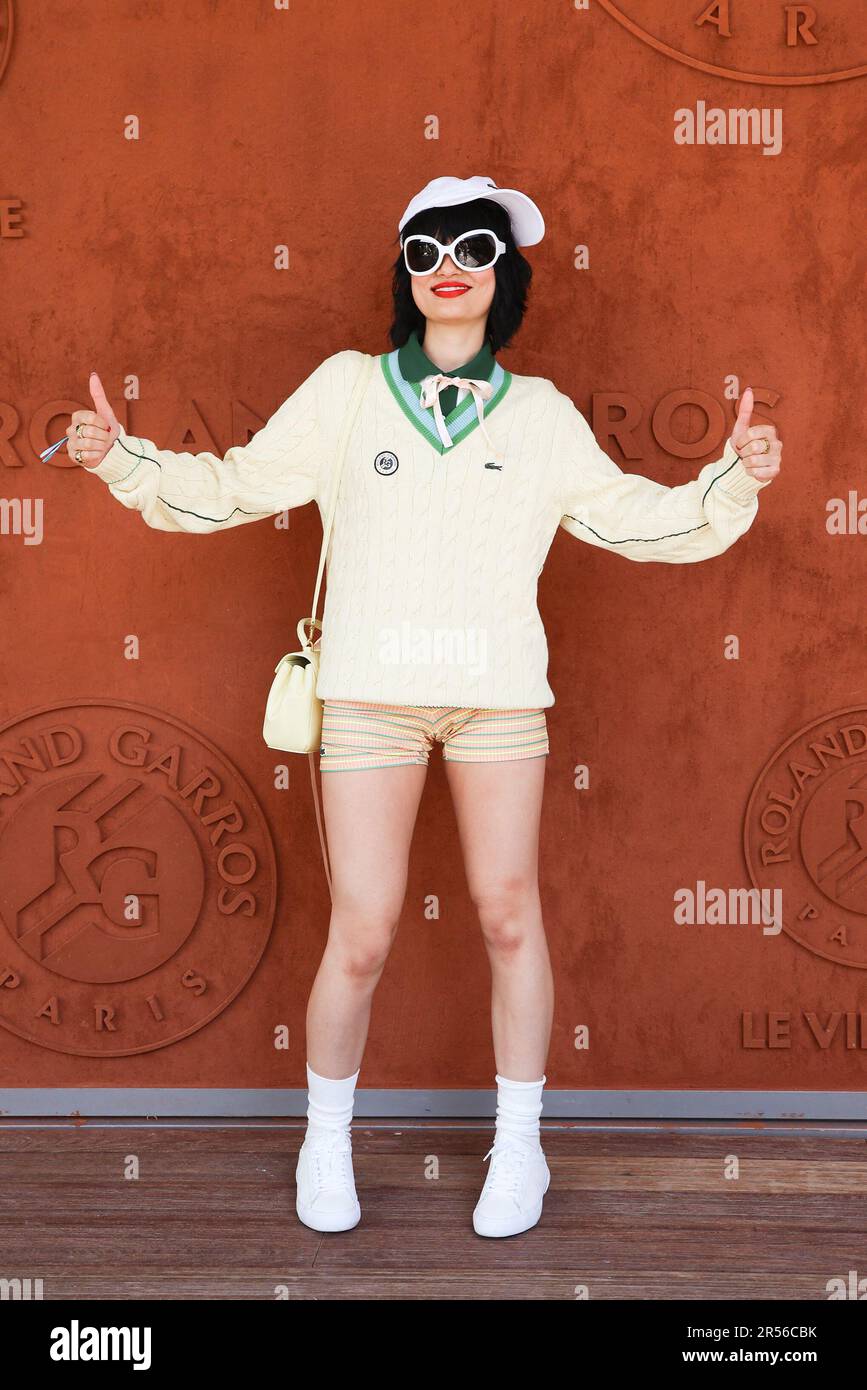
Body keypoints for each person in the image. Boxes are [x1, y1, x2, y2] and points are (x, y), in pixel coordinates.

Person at [64, 173, 782, 1239]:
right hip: (368, 697)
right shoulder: (349, 389)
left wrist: (733, 478)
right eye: (428, 250)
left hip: (496, 702)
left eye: (476, 249)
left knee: (505, 913)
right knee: (361, 929)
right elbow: (232, 486)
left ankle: (521, 1147)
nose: (451, 266)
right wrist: (121, 458)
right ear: (406, 273)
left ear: (505, 275)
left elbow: (637, 521)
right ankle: (326, 1139)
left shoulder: (538, 415)